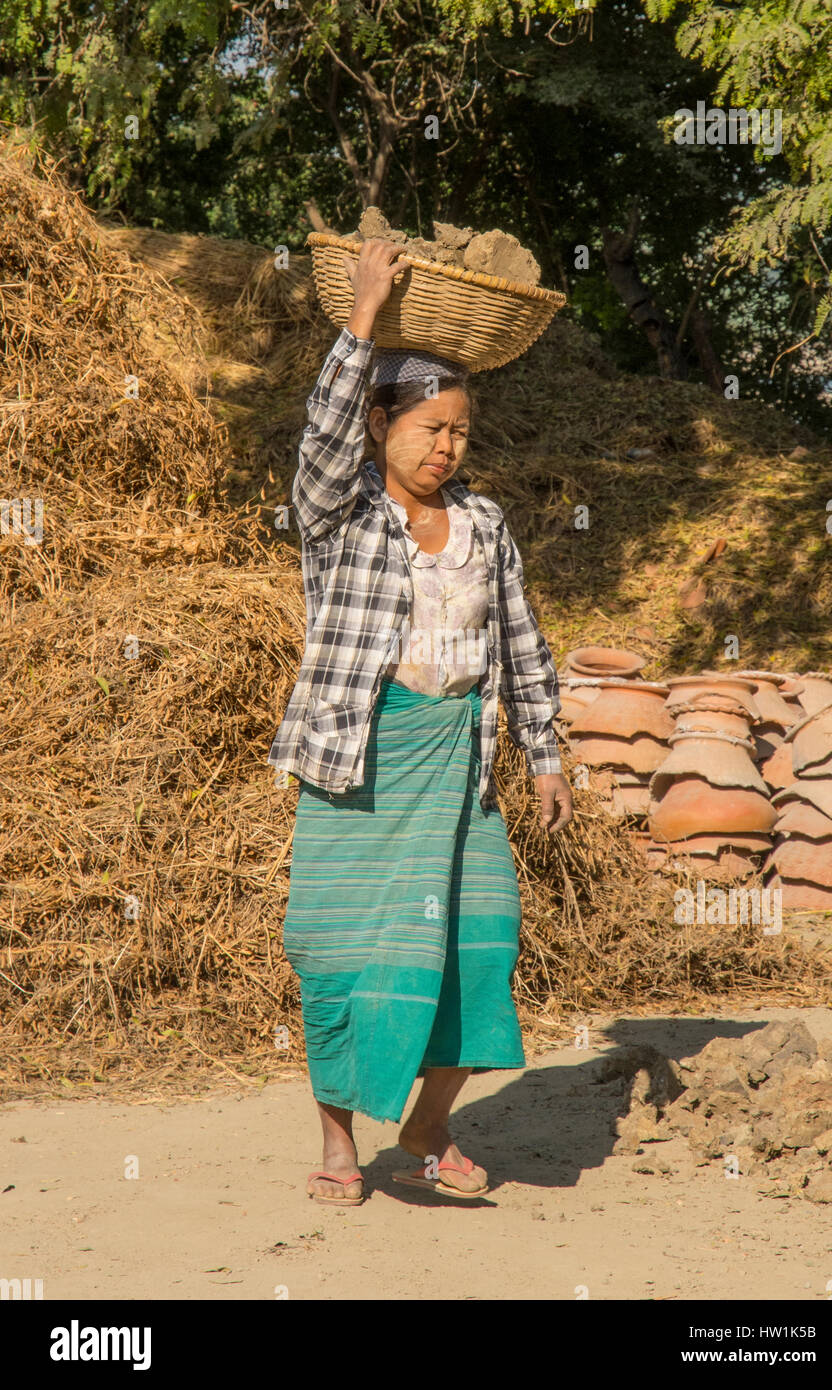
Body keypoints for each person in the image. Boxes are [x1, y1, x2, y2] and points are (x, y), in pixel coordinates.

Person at [269, 237, 573, 1204]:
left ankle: (428, 1127)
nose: (445, 445)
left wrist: (545, 753)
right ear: (379, 423)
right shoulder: (340, 513)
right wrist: (362, 313)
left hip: (457, 758)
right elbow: (316, 442)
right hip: (359, 761)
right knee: (341, 951)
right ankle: (338, 1148)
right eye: (428, 427)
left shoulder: (484, 526)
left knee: (483, 943)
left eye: (459, 432)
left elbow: (522, 644)